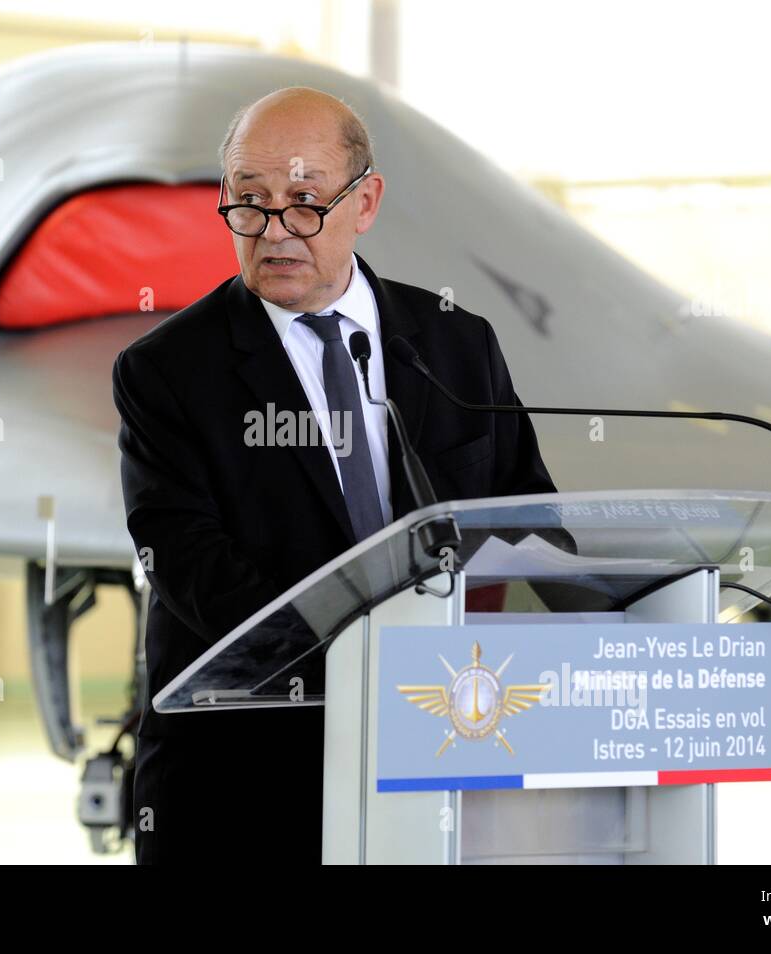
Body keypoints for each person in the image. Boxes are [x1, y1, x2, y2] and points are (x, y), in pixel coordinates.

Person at [112, 86, 558, 864]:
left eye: (305, 202)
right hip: (243, 785)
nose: (275, 230)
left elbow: (528, 526)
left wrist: (604, 633)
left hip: (441, 758)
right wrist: (383, 667)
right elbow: (194, 568)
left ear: (367, 200)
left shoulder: (455, 345)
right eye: (249, 202)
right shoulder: (169, 373)